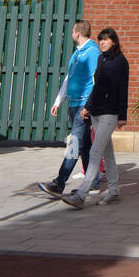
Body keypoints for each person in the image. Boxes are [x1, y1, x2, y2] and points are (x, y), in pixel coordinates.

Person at [61, 28, 129, 208]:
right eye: (100, 40)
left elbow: (123, 89)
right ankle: (113, 192)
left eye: (106, 40)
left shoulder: (121, 62)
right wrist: (88, 108)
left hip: (110, 113)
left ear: (114, 41)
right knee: (107, 153)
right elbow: (96, 87)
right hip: (96, 112)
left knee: (95, 152)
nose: (102, 43)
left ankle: (81, 194)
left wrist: (122, 116)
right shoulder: (101, 59)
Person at [38, 19, 102, 198]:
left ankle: (59, 183)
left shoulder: (92, 53)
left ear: (78, 33)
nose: (71, 33)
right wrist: (58, 100)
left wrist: (90, 106)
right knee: (85, 146)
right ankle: (94, 183)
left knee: (74, 144)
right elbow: (69, 78)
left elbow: (96, 80)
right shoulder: (77, 54)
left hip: (83, 106)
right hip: (74, 104)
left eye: (72, 31)